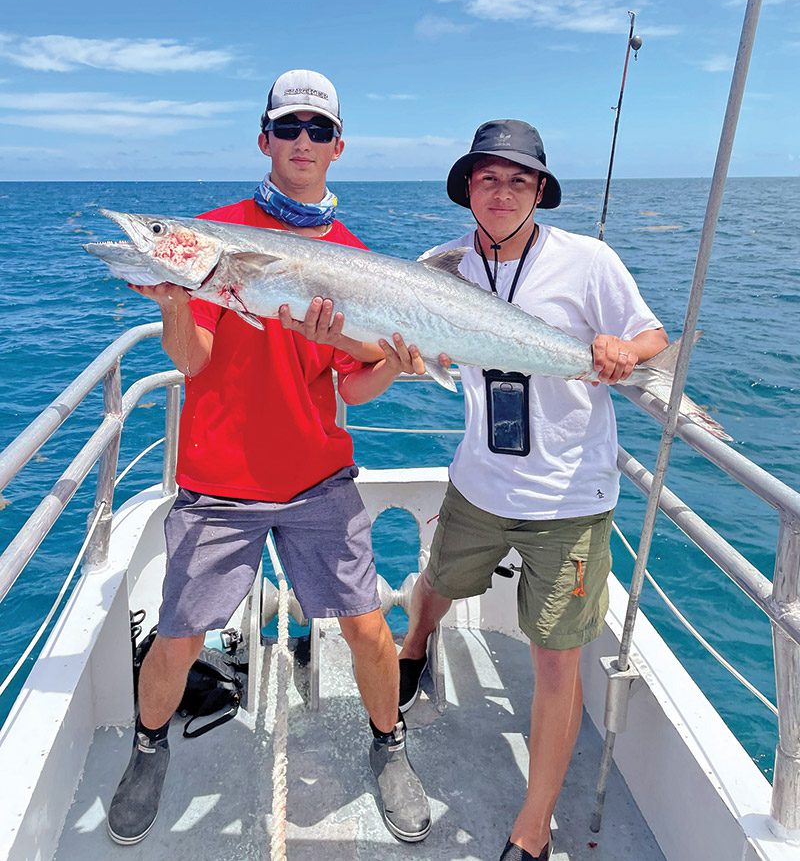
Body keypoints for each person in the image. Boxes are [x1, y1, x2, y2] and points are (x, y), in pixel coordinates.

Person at [106, 70, 432, 847]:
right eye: (289, 127)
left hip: (318, 476)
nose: (303, 142)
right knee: (180, 635)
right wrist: (178, 299)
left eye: (319, 129)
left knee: (367, 627)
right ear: (264, 138)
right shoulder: (216, 236)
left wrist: (400, 361)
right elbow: (193, 361)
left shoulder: (354, 258)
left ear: (338, 147)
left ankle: (390, 746)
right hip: (219, 481)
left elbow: (358, 382)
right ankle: (147, 747)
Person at [397, 120, 668, 861]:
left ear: (541, 190)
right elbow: (410, 347)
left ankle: (533, 823)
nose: (503, 191)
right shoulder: (441, 267)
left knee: (557, 657)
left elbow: (653, 339)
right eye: (489, 178)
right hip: (479, 480)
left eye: (520, 179)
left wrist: (623, 349)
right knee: (438, 582)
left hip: (570, 497)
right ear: (468, 189)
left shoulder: (589, 262)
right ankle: (414, 648)